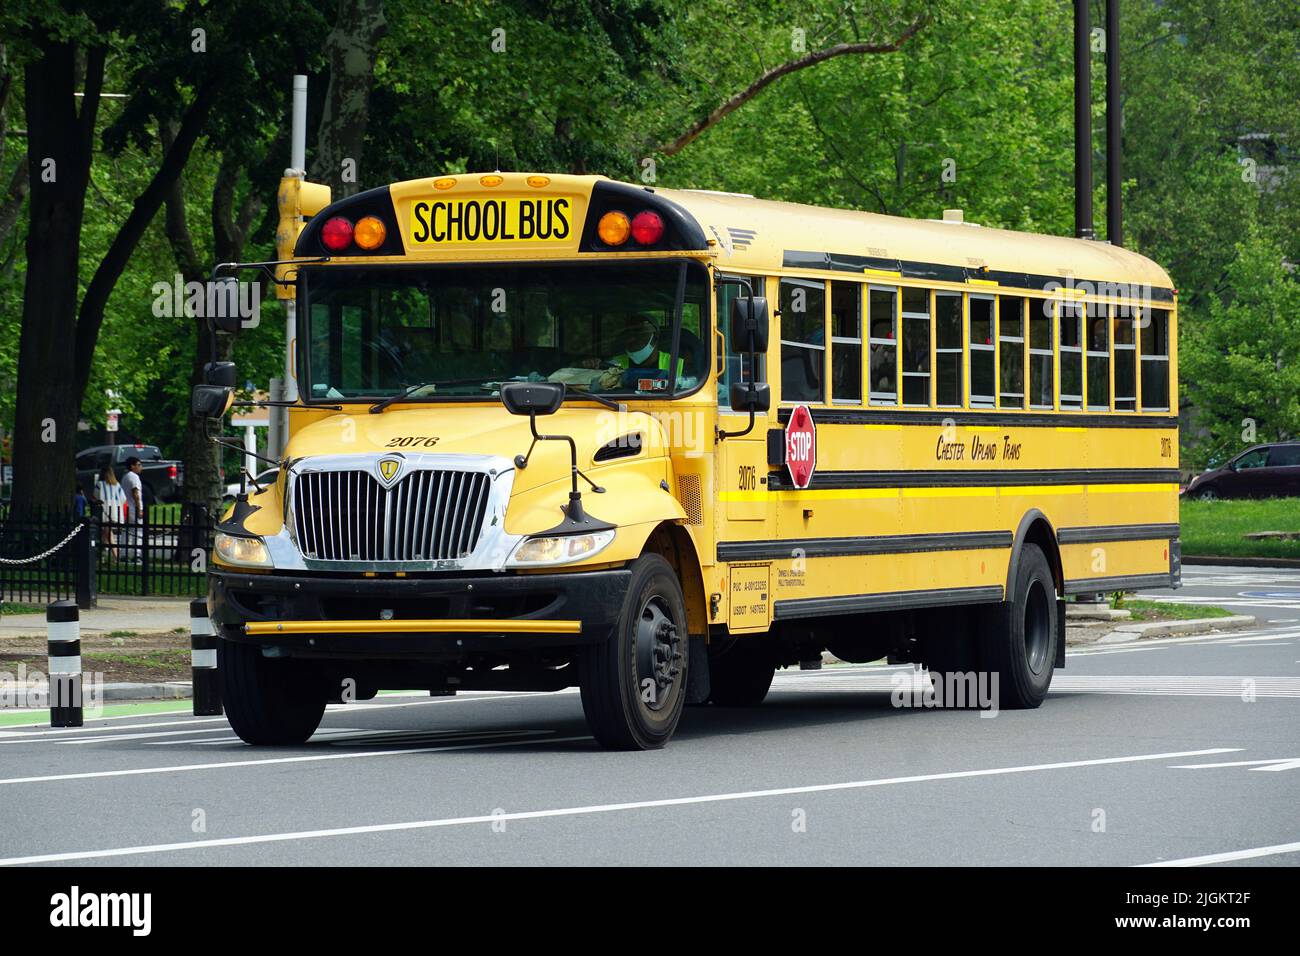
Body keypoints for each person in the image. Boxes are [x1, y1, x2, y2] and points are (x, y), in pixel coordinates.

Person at [583, 314, 685, 389]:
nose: (632, 339)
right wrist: (592, 367)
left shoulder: (677, 365)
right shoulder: (613, 364)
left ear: (655, 338)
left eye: (640, 333)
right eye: (628, 334)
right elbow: (595, 385)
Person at [92, 464, 127, 560]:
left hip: (105, 513)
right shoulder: (117, 485)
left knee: (108, 534)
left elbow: (95, 498)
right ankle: (101, 555)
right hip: (115, 512)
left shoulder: (100, 484)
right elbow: (123, 499)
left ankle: (116, 556)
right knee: (105, 534)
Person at [121, 456, 145, 564]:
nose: (141, 467)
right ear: (132, 466)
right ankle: (137, 555)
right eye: (139, 465)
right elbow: (136, 493)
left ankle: (124, 554)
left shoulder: (125, 477)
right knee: (137, 531)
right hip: (133, 508)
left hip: (126, 507)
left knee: (126, 532)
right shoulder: (134, 477)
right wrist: (139, 508)